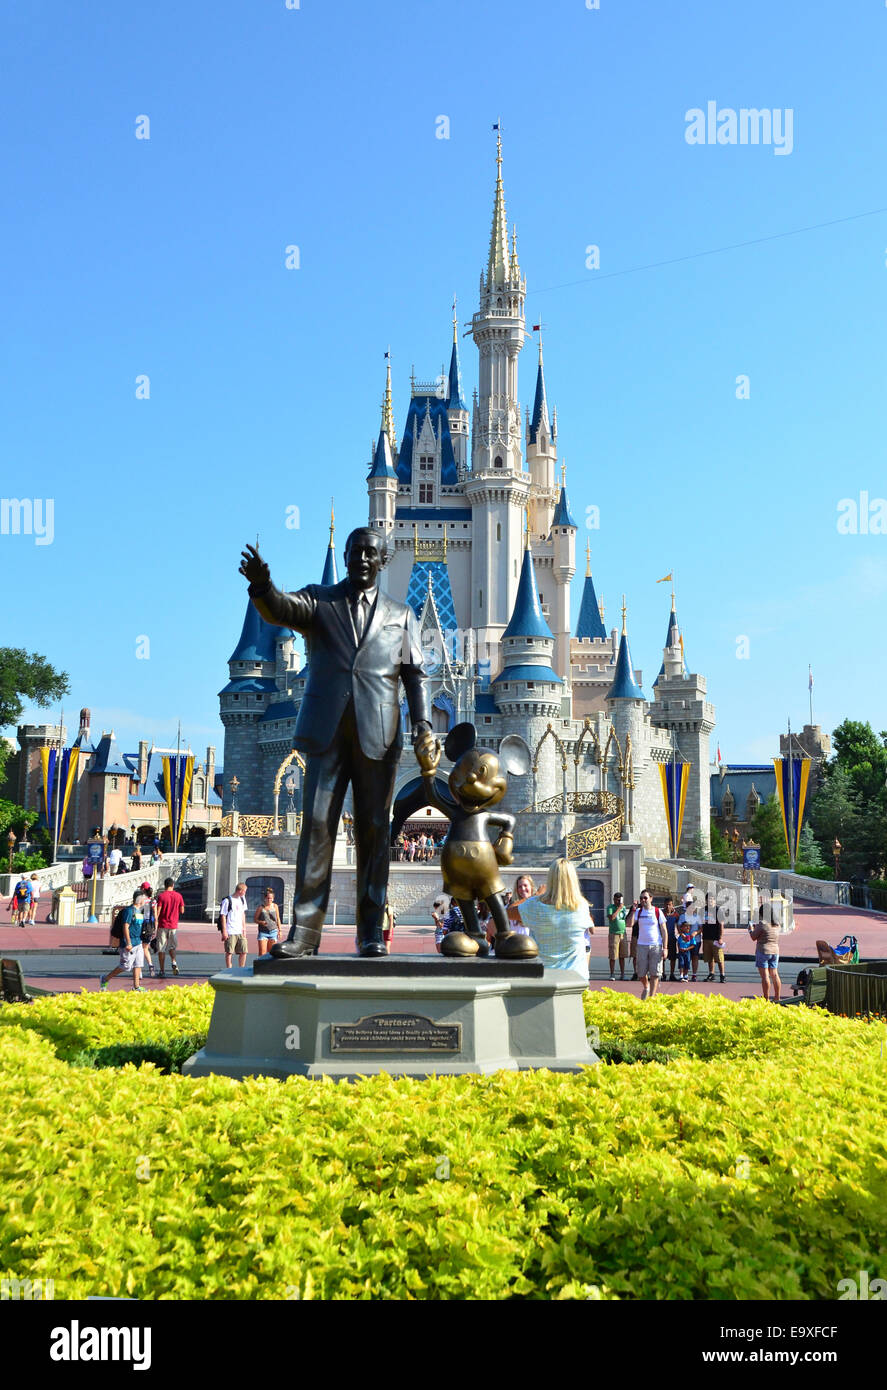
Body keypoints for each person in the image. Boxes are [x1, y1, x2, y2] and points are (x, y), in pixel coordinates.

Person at [241, 530, 433, 959]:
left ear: (382, 559)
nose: (362, 559)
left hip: (379, 735)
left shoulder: (401, 615)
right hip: (326, 732)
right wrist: (261, 586)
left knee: (375, 831)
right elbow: (280, 608)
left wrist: (422, 722)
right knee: (317, 827)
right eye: (355, 552)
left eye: (370, 552)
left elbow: (415, 676)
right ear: (344, 557)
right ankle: (306, 932)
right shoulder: (320, 602)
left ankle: (369, 932)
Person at [507, 858, 592, 975]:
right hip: (576, 978)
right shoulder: (582, 906)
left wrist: (535, 895)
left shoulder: (534, 905)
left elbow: (508, 912)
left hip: (545, 976)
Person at [100, 890, 148, 992]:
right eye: (144, 899)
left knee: (138, 964)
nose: (145, 901)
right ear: (139, 900)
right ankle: (105, 979)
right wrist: (128, 942)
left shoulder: (139, 911)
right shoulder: (129, 911)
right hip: (129, 943)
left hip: (138, 942)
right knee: (125, 966)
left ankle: (136, 987)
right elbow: (125, 927)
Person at [626, 890, 668, 1000]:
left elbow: (664, 930)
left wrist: (665, 947)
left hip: (656, 945)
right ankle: (646, 986)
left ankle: (652, 997)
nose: (643, 900)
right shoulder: (638, 911)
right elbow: (629, 924)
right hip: (642, 945)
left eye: (645, 898)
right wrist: (633, 909)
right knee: (640, 973)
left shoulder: (658, 911)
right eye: (641, 898)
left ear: (651, 898)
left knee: (655, 973)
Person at [749, 902, 781, 1002]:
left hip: (763, 950)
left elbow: (753, 937)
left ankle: (766, 998)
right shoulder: (777, 924)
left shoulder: (762, 923)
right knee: (775, 974)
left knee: (765, 976)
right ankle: (777, 997)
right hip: (775, 951)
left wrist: (750, 929)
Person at [155, 876, 185, 977]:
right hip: (173, 925)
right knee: (172, 946)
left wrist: (155, 922)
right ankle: (173, 962)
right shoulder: (178, 896)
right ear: (173, 885)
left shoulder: (161, 896)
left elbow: (158, 912)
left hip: (163, 925)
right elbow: (182, 911)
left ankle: (162, 970)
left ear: (165, 885)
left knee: (161, 948)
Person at [219, 883, 249, 968]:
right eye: (244, 891)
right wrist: (224, 931)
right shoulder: (227, 900)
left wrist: (244, 928)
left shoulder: (242, 900)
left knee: (244, 951)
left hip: (240, 930)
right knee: (229, 952)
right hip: (231, 930)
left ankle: (241, 968)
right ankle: (229, 968)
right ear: (240, 891)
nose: (245, 893)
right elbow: (223, 916)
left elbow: (243, 914)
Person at [701, 891, 726, 983]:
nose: (710, 901)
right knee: (709, 958)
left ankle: (722, 975)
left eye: (712, 899)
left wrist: (720, 937)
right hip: (706, 937)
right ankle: (711, 974)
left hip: (715, 938)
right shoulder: (703, 910)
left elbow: (721, 925)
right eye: (708, 899)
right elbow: (701, 924)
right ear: (706, 900)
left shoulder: (718, 910)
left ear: (715, 900)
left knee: (719, 958)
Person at [606, 890, 629, 981]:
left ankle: (623, 974)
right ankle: (612, 974)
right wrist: (618, 908)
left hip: (623, 933)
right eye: (616, 900)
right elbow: (612, 918)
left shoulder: (624, 908)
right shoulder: (610, 907)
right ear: (613, 900)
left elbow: (625, 919)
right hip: (614, 933)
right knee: (613, 955)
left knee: (622, 955)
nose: (618, 902)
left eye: (619, 900)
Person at [254, 887, 283, 957]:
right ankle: (261, 967)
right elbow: (255, 919)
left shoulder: (275, 906)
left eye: (271, 898)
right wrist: (261, 922)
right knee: (262, 953)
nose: (269, 900)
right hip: (263, 932)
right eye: (268, 898)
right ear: (265, 898)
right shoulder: (261, 908)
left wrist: (280, 930)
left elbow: (278, 918)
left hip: (273, 931)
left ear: (273, 899)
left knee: (271, 953)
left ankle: (269, 967)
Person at [663, 895, 679, 982]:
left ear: (673, 905)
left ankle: (672, 974)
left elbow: (679, 926)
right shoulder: (661, 913)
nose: (668, 906)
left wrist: (679, 936)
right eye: (666, 904)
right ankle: (663, 974)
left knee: (673, 957)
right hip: (662, 939)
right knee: (662, 957)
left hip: (672, 938)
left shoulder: (676, 914)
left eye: (669, 904)